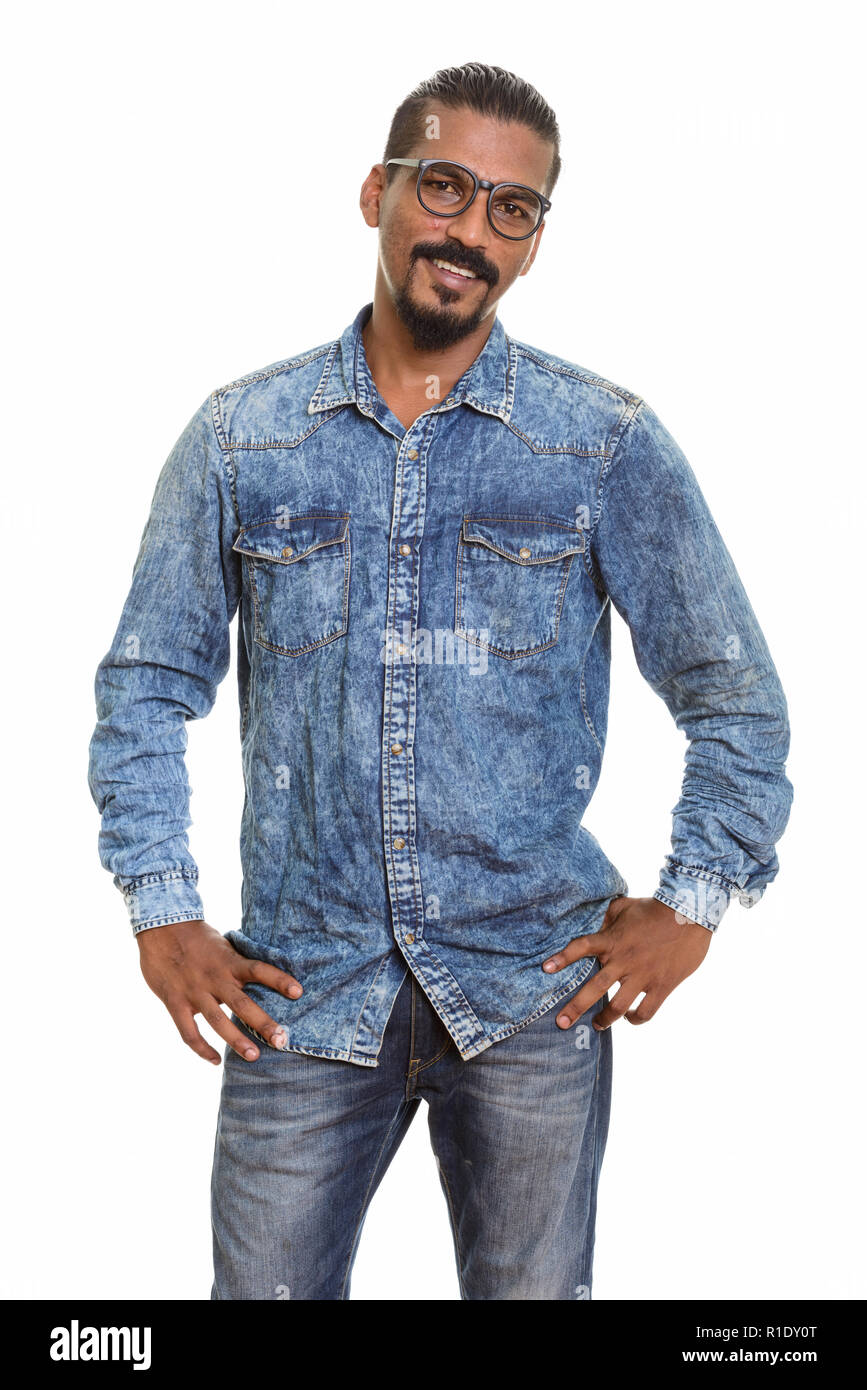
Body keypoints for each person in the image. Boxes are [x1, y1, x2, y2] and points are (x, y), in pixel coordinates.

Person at [87, 61, 793, 1301]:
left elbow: (733, 699)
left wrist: (694, 901)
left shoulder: (601, 442)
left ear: (532, 241)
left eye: (510, 207)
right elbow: (147, 685)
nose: (470, 228)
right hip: (301, 999)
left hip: (530, 999)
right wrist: (160, 907)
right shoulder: (241, 438)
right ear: (380, 193)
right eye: (447, 186)